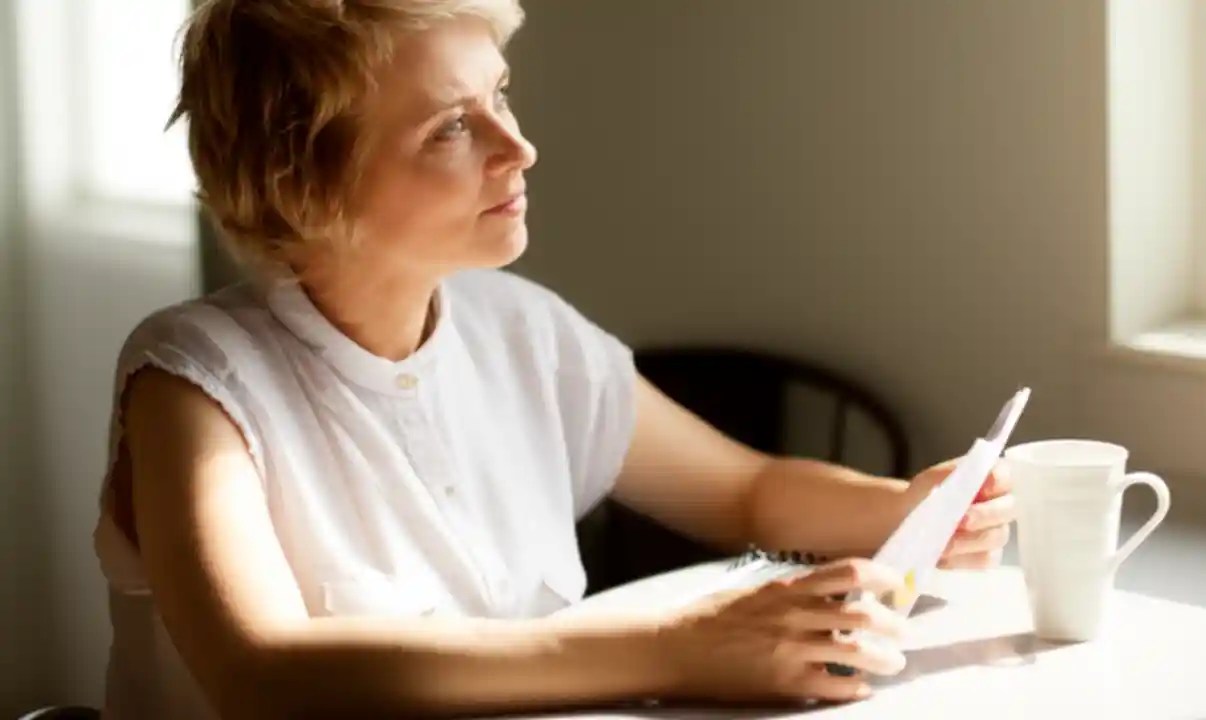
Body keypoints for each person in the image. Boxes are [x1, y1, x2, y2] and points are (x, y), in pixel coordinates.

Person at [91, 1, 1015, 717]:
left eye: (498, 97)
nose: (519, 147)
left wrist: (902, 513)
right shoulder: (193, 381)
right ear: (302, 185)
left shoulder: (522, 332)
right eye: (451, 127)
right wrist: (679, 646)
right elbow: (261, 676)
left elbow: (747, 492)